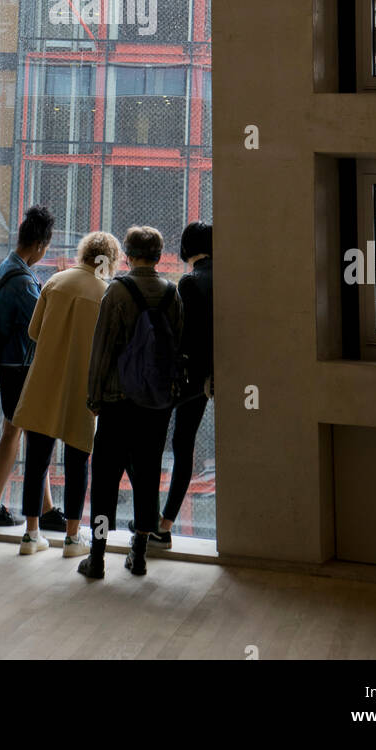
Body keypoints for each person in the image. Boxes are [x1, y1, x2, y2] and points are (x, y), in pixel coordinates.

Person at [80, 225, 183, 581]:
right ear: (158, 256)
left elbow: (102, 350)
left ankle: (97, 556)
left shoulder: (117, 293)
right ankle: (138, 554)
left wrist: (94, 396)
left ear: (127, 254)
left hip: (116, 401)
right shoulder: (172, 294)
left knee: (106, 481)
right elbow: (177, 350)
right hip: (155, 405)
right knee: (148, 476)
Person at [13, 231, 121, 558]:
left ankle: (31, 534)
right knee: (78, 463)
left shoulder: (55, 282)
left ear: (82, 253)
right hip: (81, 389)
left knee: (36, 461)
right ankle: (73, 539)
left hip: (44, 383)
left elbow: (33, 331)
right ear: (109, 261)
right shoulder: (106, 293)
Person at [0, 205, 65, 531]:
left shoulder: (7, 266)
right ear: (41, 245)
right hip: (20, 367)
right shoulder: (24, 282)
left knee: (21, 431)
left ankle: (43, 508)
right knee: (21, 432)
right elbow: (41, 327)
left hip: (9, 364)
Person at [154, 220, 213, 549]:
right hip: (215, 377)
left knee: (171, 443)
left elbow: (184, 337)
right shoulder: (227, 276)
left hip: (190, 378)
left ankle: (158, 523)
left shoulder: (190, 283)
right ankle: (164, 523)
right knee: (185, 444)